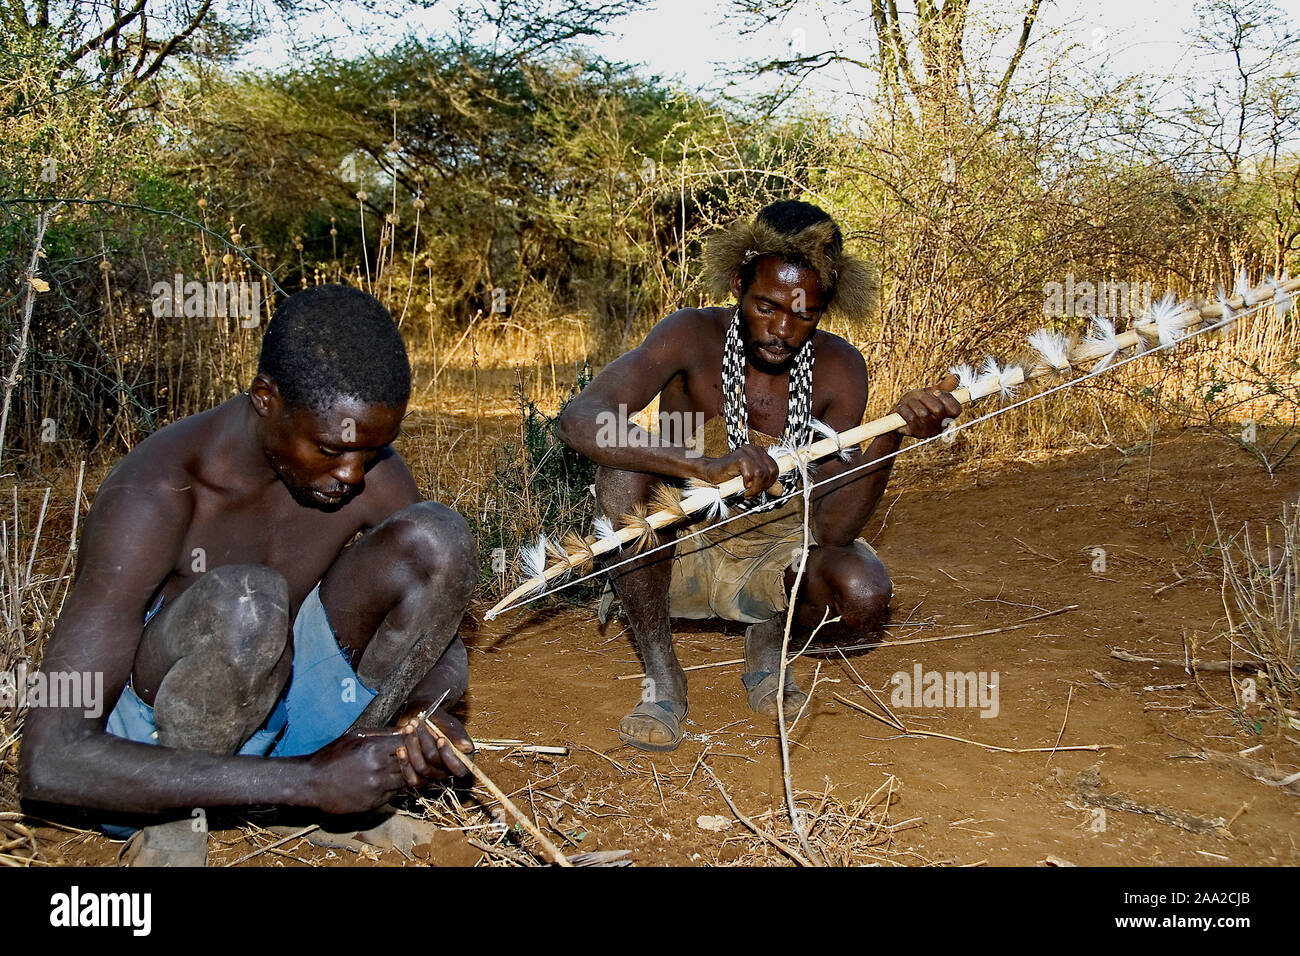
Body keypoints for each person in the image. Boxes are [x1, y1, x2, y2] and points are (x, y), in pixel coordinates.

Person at [20, 284, 476, 865]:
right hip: (159, 760)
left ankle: (341, 798)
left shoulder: (363, 468)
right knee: (250, 600)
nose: (353, 474)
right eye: (331, 448)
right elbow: (50, 758)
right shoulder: (156, 492)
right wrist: (306, 782)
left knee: (438, 537)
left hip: (294, 734)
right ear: (266, 397)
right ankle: (178, 830)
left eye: (373, 449)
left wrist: (426, 716)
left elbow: (441, 646)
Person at [558, 200, 961, 752]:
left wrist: (891, 434)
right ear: (737, 283)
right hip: (682, 540)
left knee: (861, 590)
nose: (781, 330)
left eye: (804, 316)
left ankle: (767, 646)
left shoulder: (840, 368)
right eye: (766, 306)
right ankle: (662, 677)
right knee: (622, 479)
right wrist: (700, 465)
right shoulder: (690, 336)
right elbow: (581, 418)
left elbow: (833, 529)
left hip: (778, 545)